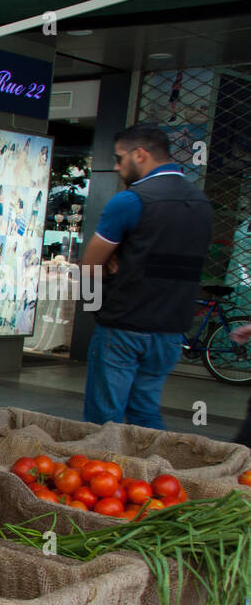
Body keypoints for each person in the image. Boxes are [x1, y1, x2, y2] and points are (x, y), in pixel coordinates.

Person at [80, 123, 213, 429]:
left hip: (125, 323)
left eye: (119, 157)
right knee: (145, 412)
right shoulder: (202, 204)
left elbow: (89, 266)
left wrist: (97, 304)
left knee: (104, 418)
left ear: (139, 154)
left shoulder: (130, 200)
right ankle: (149, 474)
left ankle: (105, 472)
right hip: (170, 328)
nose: (115, 166)